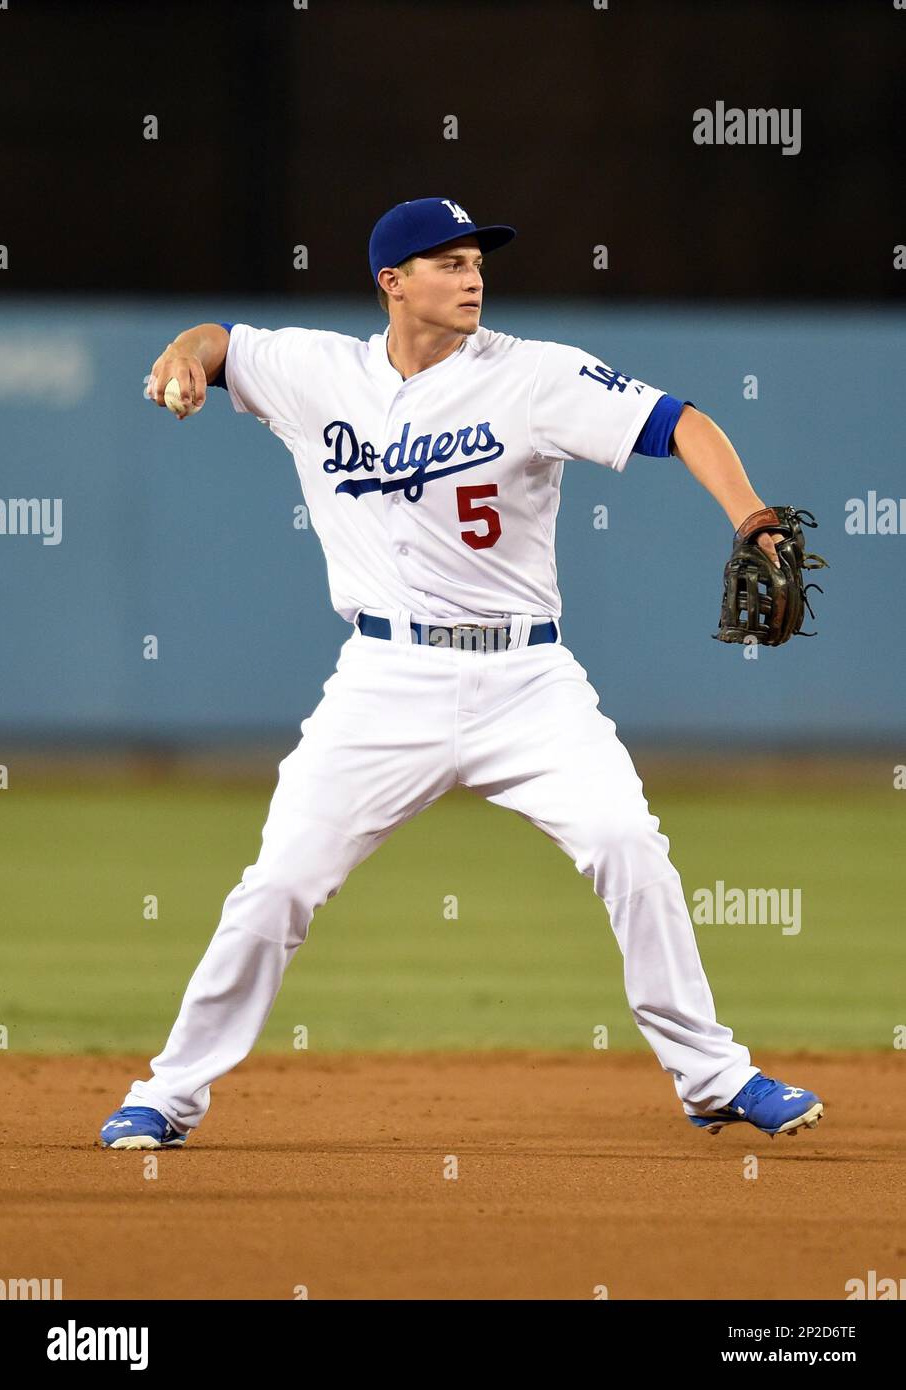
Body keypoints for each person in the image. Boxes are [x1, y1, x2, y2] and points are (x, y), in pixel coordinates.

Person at [100, 197, 823, 1150]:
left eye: (476, 258)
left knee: (628, 847)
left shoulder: (536, 376)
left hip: (528, 680)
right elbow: (221, 341)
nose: (472, 273)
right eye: (445, 262)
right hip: (384, 679)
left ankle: (713, 1076)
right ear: (392, 283)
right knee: (277, 886)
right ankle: (167, 1093)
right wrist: (185, 357)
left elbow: (682, 423)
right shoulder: (317, 370)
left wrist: (751, 517)